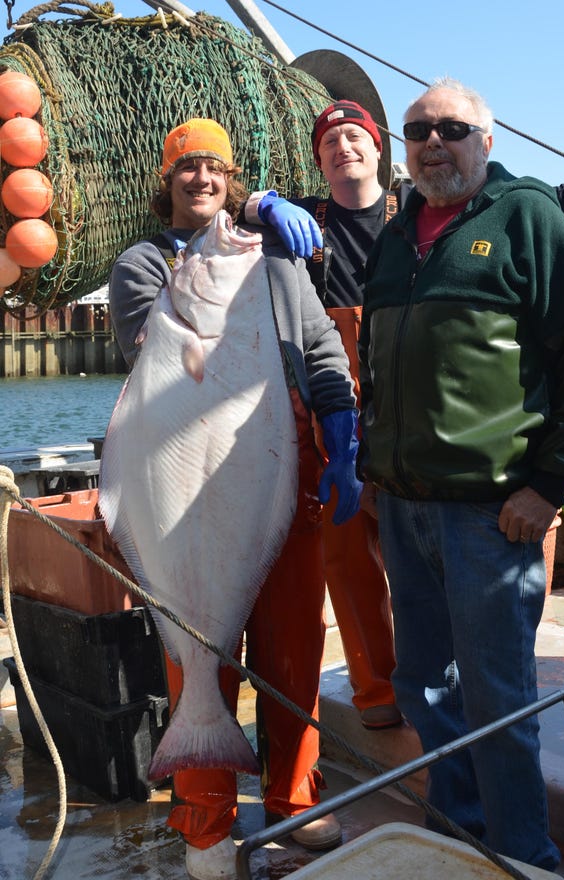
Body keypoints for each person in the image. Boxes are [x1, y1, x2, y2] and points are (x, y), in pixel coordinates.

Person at [245, 99, 564, 733]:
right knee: (348, 558)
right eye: (329, 142)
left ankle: (493, 689)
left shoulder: (419, 204)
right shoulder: (306, 217)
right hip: (346, 406)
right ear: (317, 159)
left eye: (355, 135)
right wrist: (259, 204)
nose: (343, 147)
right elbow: (214, 207)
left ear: (381, 151)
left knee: (479, 605)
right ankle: (378, 687)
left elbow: (526, 198)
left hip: (439, 407)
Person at [356, 78, 564, 871]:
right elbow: (379, 362)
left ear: (487, 140)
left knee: (497, 699)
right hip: (404, 510)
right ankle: (462, 840)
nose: (434, 142)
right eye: (418, 131)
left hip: (490, 514)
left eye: (452, 128)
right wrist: (375, 469)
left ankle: (523, 858)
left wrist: (548, 484)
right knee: (425, 692)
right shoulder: (397, 235)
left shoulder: (526, 217)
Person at [108, 118, 363, 880]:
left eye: (216, 168)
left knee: (295, 654)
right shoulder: (142, 265)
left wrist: (343, 432)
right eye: (187, 169)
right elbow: (149, 350)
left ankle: (296, 800)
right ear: (168, 183)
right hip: (189, 489)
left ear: (233, 177)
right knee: (203, 662)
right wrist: (241, 227)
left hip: (280, 476)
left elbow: (319, 348)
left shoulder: (280, 263)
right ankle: (207, 824)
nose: (202, 180)